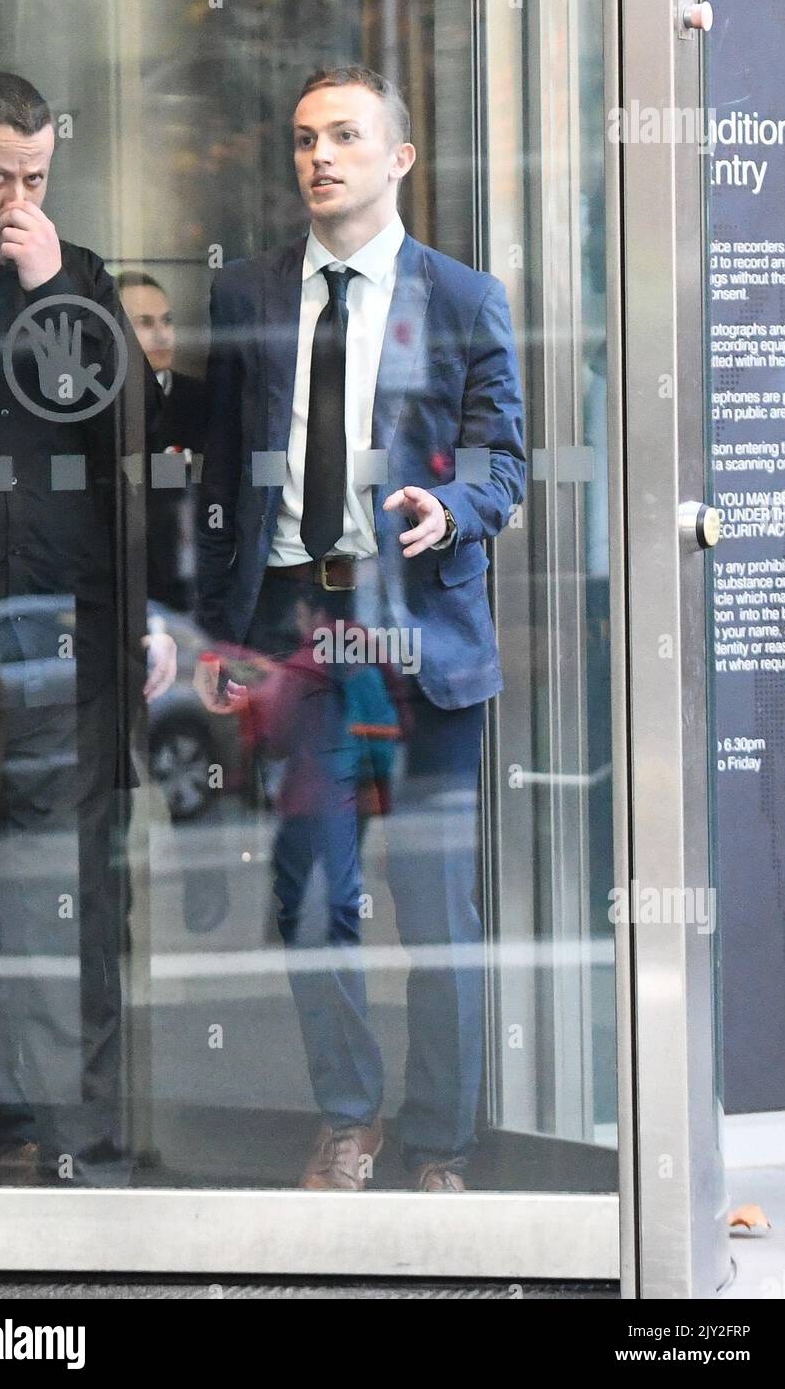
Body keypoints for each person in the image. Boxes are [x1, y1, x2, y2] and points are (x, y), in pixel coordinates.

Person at [195, 66, 525, 1193]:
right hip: (298, 626)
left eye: (343, 136)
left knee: (434, 907)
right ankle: (347, 1116)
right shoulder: (244, 295)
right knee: (311, 890)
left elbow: (502, 462)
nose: (318, 156)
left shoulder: (465, 298)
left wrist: (455, 506)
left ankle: (440, 1141)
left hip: (419, 628)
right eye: (301, 139)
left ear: (398, 160)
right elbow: (223, 473)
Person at [0, 72, 176, 1187]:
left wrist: (48, 295)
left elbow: (125, 428)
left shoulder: (72, 280)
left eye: (35, 178)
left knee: (73, 893)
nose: (16, 199)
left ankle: (74, 1136)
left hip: (65, 646)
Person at [117, 271, 206, 609]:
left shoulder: (204, 401)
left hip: (189, 583)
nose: (161, 334)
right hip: (121, 582)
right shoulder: (95, 408)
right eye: (144, 322)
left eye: (167, 321)